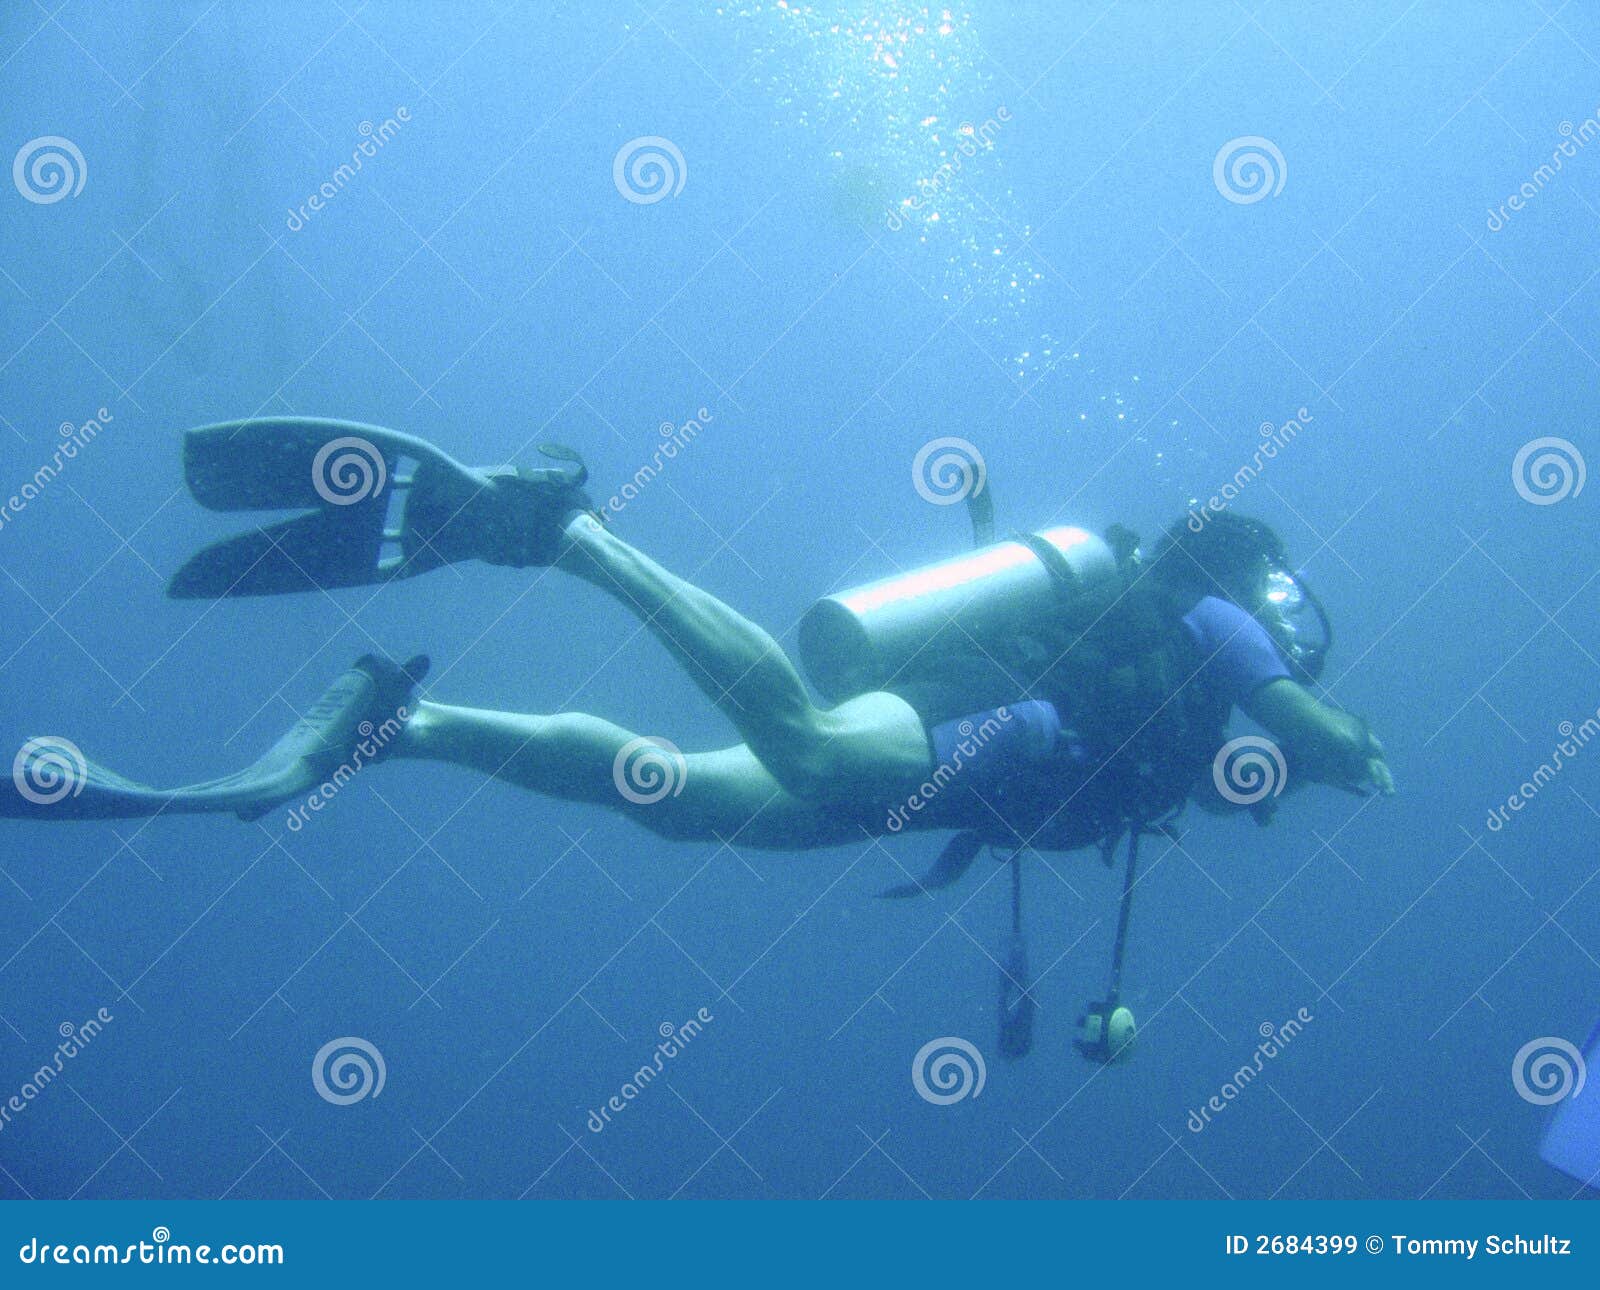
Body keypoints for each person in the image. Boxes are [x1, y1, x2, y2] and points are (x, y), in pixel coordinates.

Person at [2, 419, 1393, 855]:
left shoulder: (1180, 627)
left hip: (988, 771)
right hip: (1005, 726)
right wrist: (1357, 749)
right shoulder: (1213, 615)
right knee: (797, 745)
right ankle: (574, 537)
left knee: (695, 800)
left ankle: (400, 722)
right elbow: (1313, 735)